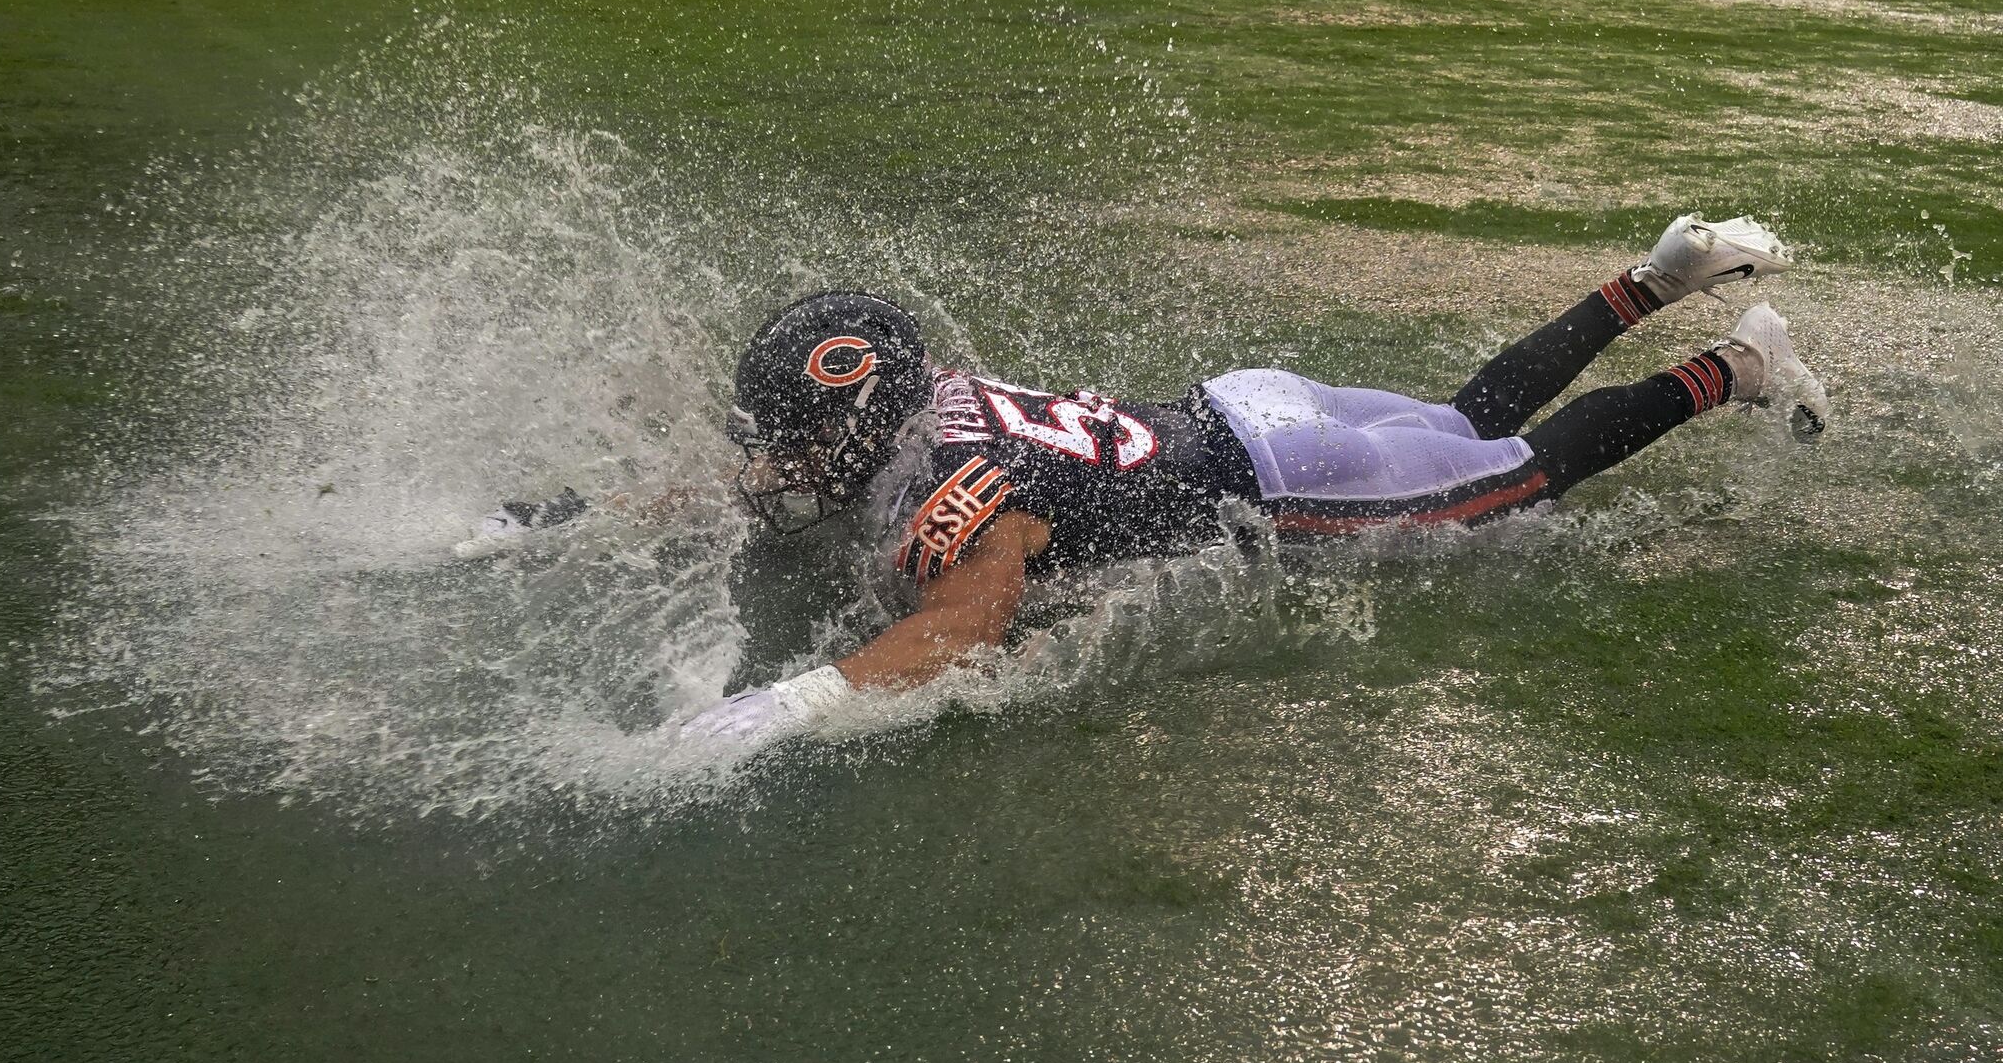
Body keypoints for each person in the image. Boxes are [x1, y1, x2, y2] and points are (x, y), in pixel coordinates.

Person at [563, 214, 1827, 744]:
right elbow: (764, 475)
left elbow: (965, 624)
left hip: (1287, 468)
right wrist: (551, 521)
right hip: (1252, 401)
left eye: (795, 439)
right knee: (1457, 418)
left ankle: (1739, 365)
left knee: (1515, 475)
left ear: (854, 423)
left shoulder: (940, 492)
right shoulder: (932, 393)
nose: (776, 467)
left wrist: (772, 709)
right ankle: (1651, 280)